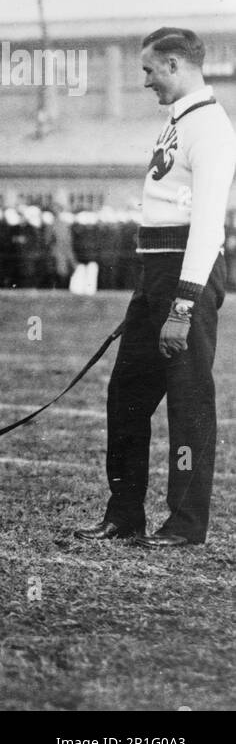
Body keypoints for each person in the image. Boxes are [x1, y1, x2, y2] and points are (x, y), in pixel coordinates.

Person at [76, 28, 236, 548]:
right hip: (156, 276)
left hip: (187, 276)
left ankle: (186, 525)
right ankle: (124, 516)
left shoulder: (209, 126)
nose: (145, 81)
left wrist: (183, 305)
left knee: (187, 405)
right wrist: (149, 292)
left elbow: (208, 225)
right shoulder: (178, 122)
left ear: (173, 65)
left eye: (149, 71)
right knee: (125, 395)